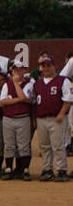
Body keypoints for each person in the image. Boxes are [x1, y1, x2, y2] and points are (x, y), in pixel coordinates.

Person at [30, 53, 71, 181]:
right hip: (41, 118)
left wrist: (61, 114)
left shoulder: (63, 80)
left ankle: (62, 170)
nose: (46, 68)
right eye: (44, 66)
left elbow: (68, 100)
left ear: (54, 66)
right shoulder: (37, 84)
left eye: (48, 65)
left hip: (56, 118)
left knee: (58, 146)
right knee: (44, 146)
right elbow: (34, 102)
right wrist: (34, 120)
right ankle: (47, 169)